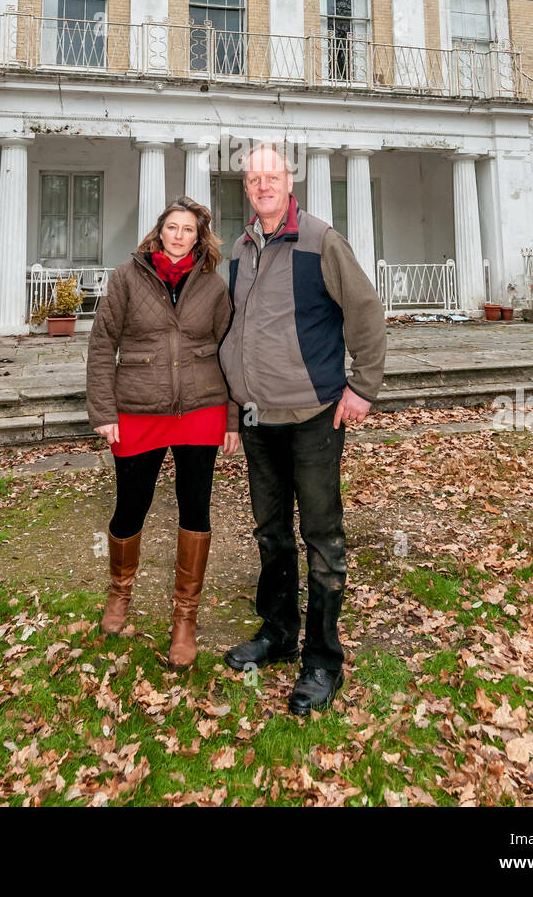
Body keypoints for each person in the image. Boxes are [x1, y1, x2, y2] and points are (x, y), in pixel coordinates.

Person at [218, 145, 387, 715]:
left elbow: (365, 311)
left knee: (321, 536)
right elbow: (231, 334)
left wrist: (362, 387)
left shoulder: (321, 240)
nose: (264, 185)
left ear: (290, 181)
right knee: (270, 531)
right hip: (256, 419)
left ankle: (322, 658)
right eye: (254, 178)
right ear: (246, 187)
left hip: (314, 415)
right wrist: (230, 408)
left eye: (274, 176)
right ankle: (279, 632)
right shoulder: (240, 251)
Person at [86, 197, 239, 668]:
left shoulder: (213, 286)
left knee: (196, 507)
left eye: (188, 229)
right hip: (138, 407)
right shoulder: (126, 278)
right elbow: (101, 344)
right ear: (158, 232)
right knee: (131, 505)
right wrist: (104, 410)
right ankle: (119, 593)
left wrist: (233, 419)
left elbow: (230, 350)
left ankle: (185, 618)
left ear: (199, 237)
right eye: (172, 227)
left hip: (200, 406)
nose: (178, 235)